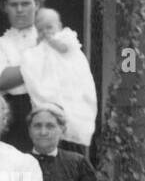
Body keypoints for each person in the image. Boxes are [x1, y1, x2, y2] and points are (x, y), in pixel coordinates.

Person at [19, 9, 97, 153]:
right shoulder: (41, 46)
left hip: (68, 82)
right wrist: (38, 44)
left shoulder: (65, 36)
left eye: (49, 27)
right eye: (41, 29)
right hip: (50, 85)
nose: (45, 32)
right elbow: (32, 61)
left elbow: (65, 48)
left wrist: (50, 40)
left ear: (59, 26)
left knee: (73, 116)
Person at [0, 0, 45, 153]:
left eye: (26, 4)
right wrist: (43, 60)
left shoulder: (54, 40)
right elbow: (0, 80)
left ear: (37, 5)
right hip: (15, 121)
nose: (19, 10)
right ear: (4, 7)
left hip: (51, 119)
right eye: (13, 4)